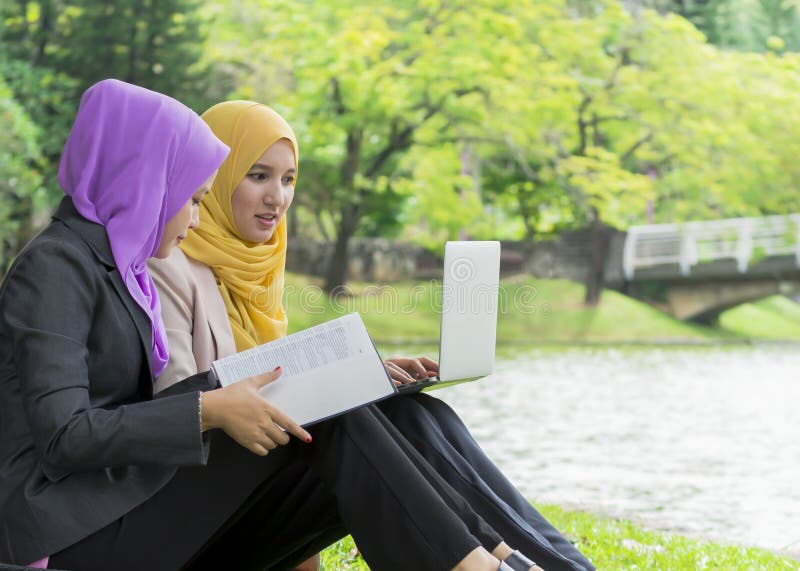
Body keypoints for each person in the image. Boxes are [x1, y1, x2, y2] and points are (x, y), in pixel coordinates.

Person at [0, 79, 559, 571]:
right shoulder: (55, 267)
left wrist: (334, 375)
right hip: (71, 537)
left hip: (120, 508)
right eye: (192, 199)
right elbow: (63, 437)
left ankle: (487, 556)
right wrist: (210, 408)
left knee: (330, 413)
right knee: (317, 412)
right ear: (145, 182)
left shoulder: (121, 267)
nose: (196, 217)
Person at [149, 100, 595, 571]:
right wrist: (331, 382)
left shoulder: (257, 271)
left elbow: (273, 379)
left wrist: (360, 375)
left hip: (257, 485)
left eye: (288, 179)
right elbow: (181, 406)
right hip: (200, 515)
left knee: (415, 412)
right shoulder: (168, 266)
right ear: (212, 176)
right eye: (257, 175)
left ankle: (561, 564)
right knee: (353, 413)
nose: (277, 197)